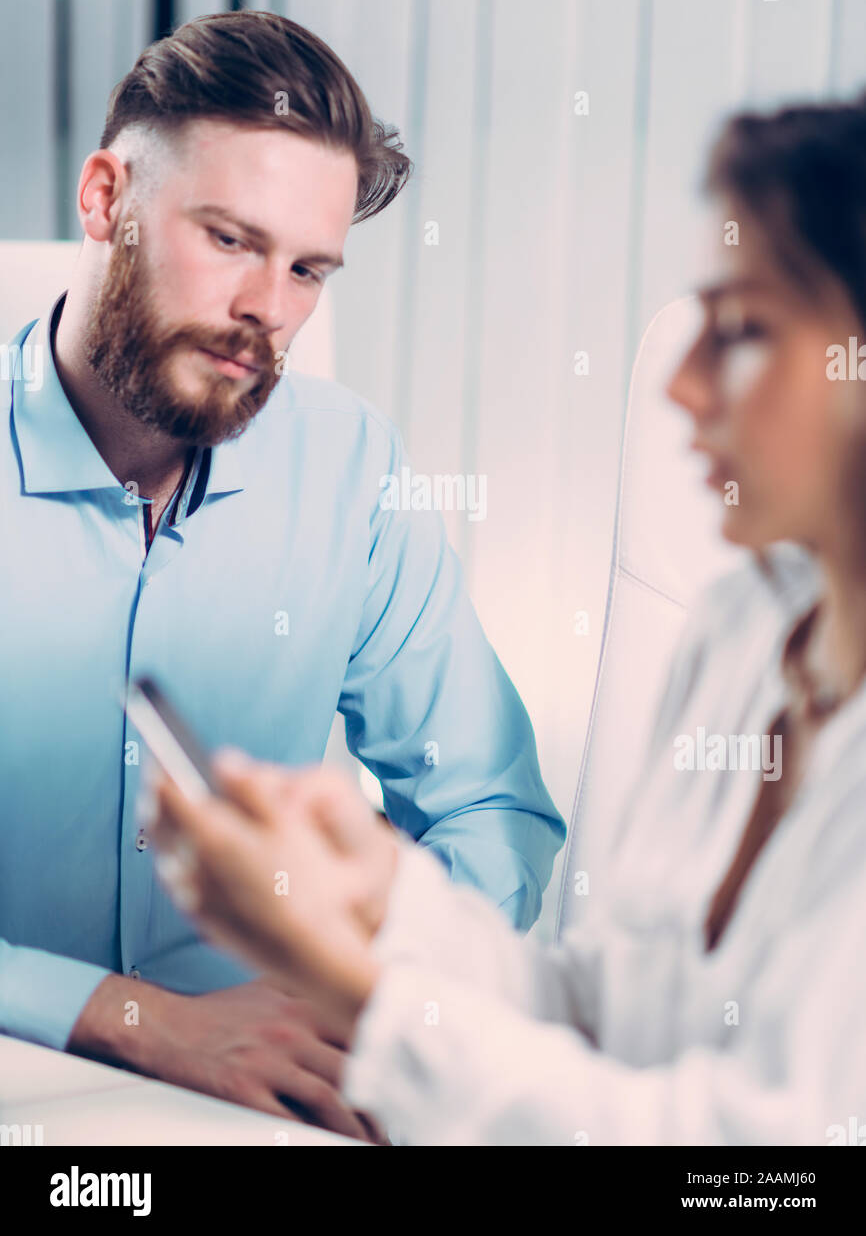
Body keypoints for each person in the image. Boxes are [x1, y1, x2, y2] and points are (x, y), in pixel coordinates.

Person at [151, 91, 866, 1144]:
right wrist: (388, 895)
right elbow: (604, 1024)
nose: (673, 383)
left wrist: (346, 982)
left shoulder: (346, 467)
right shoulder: (741, 635)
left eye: (742, 330)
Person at [0, 10, 565, 1141]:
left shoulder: (351, 465)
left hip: (274, 1095)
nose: (268, 307)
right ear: (107, 198)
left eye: (307, 267)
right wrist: (131, 1017)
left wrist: (366, 992)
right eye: (228, 240)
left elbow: (485, 809)